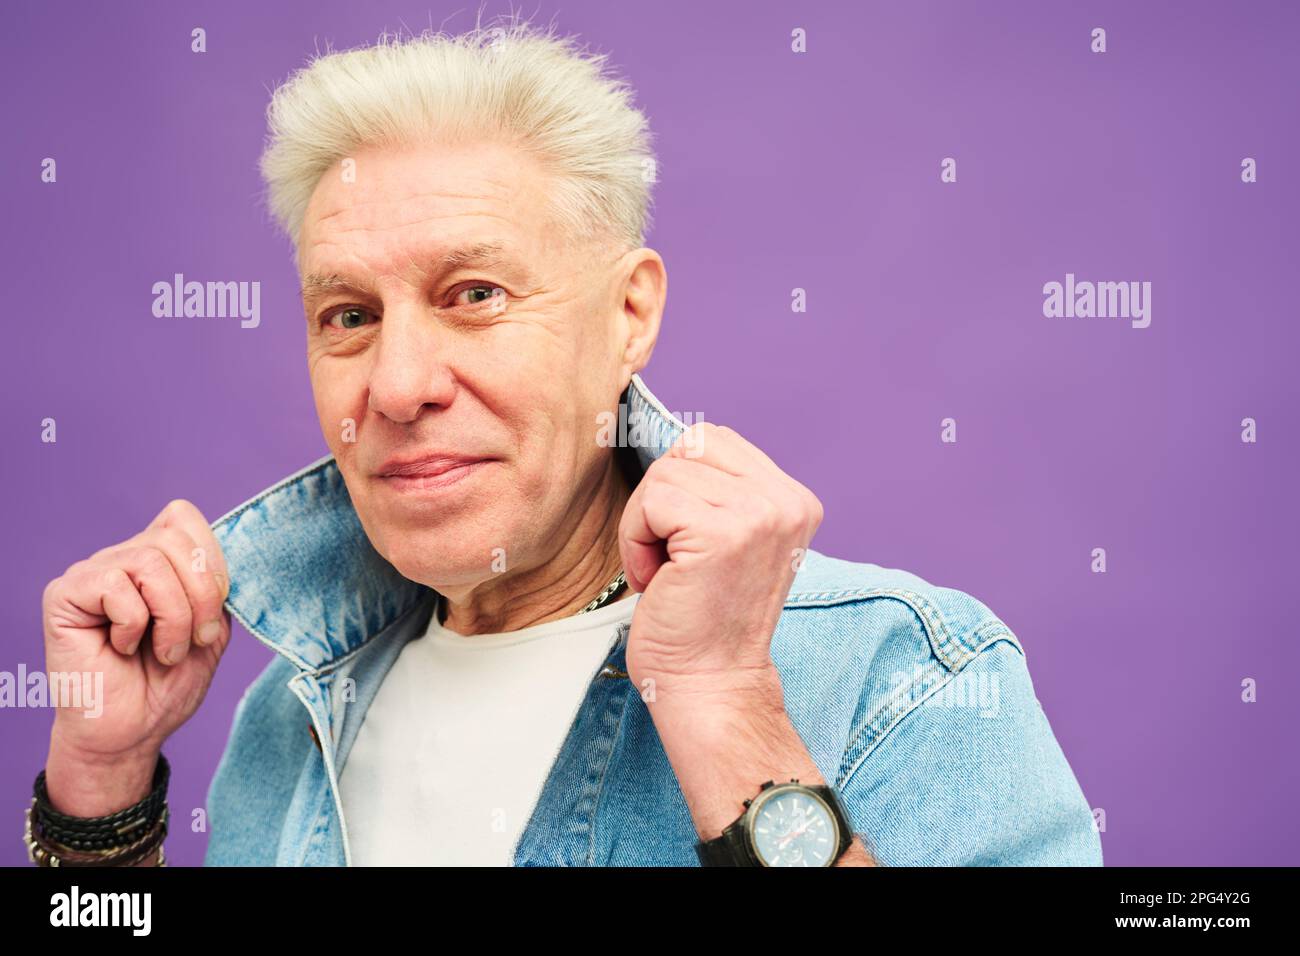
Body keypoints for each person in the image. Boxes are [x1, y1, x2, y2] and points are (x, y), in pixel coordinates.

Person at [31, 20, 1102, 867]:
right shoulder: (288, 712)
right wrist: (104, 788)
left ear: (627, 315)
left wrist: (724, 704)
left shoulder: (901, 674)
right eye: (348, 314)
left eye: (477, 294)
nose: (398, 385)